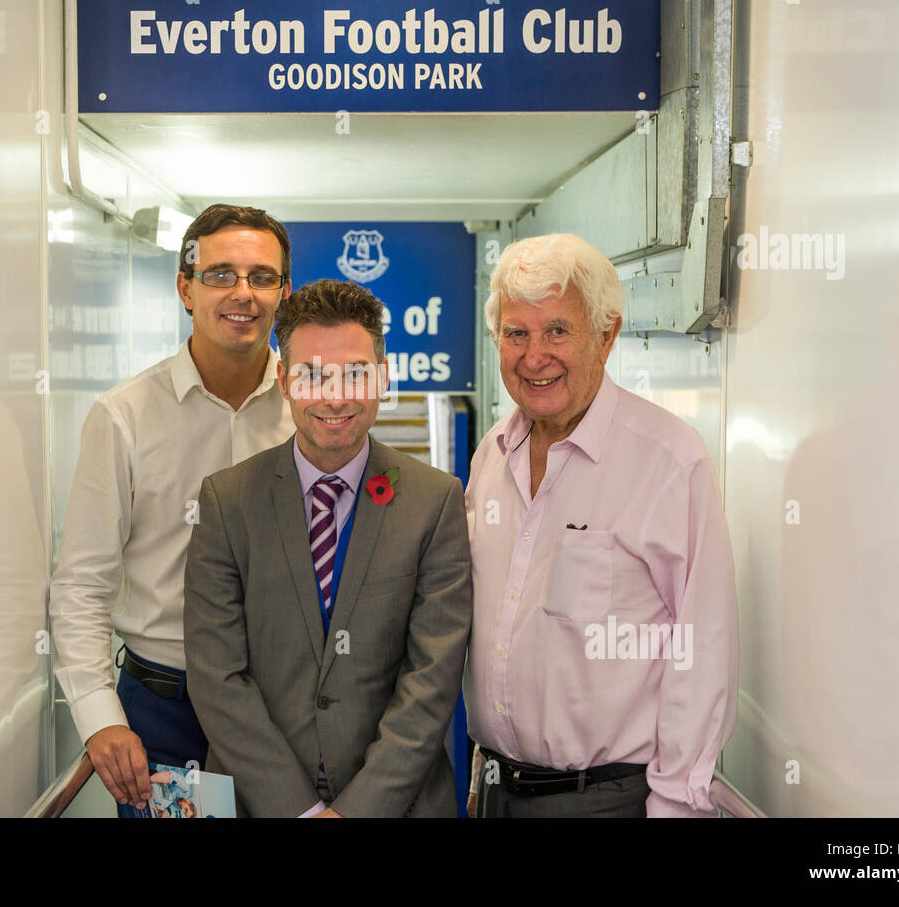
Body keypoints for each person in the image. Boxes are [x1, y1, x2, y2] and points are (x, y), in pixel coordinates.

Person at [465, 233, 738, 818]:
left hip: (608, 801)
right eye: (517, 334)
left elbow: (704, 645)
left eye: (558, 330)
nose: (535, 355)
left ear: (607, 334)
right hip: (494, 792)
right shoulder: (493, 452)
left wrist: (675, 806)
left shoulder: (666, 458)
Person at [183, 280, 472, 817]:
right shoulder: (226, 503)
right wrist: (301, 810)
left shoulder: (436, 502)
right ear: (284, 380)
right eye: (313, 373)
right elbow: (217, 677)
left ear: (382, 378)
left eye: (356, 373)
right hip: (260, 804)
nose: (336, 396)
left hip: (399, 805)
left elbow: (431, 677)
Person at [49, 203, 296, 817]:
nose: (243, 292)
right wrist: (101, 720)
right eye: (220, 274)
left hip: (286, 708)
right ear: (186, 288)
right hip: (164, 718)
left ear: (284, 293)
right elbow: (81, 584)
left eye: (262, 276)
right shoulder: (124, 417)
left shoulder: (312, 412)